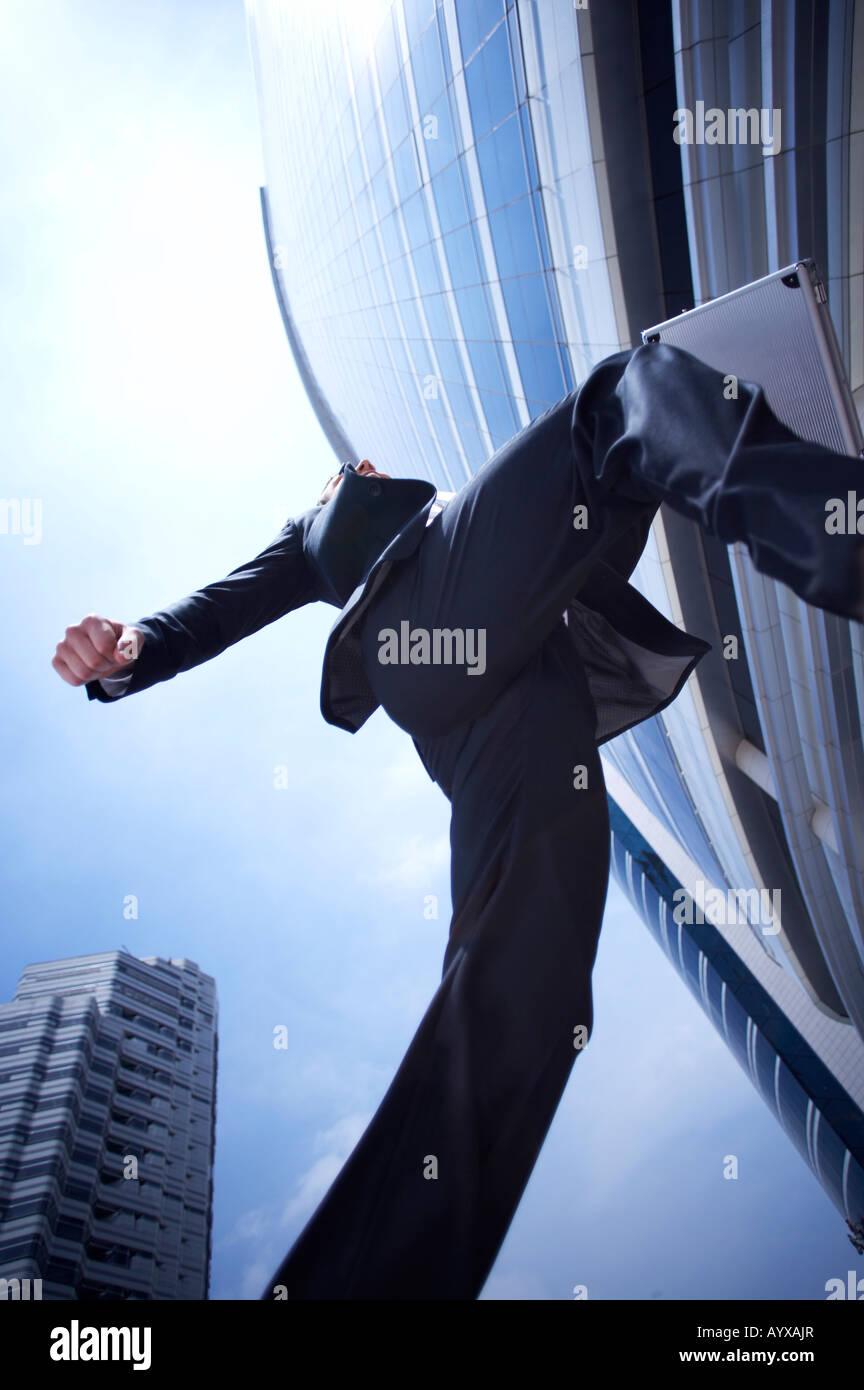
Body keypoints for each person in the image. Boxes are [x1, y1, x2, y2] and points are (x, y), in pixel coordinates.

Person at [52, 343, 864, 1299]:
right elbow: (226, 606)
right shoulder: (315, 533)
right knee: (613, 403)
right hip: (427, 632)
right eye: (348, 474)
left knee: (531, 970)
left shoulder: (434, 498)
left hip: (516, 691)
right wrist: (129, 650)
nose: (363, 471)